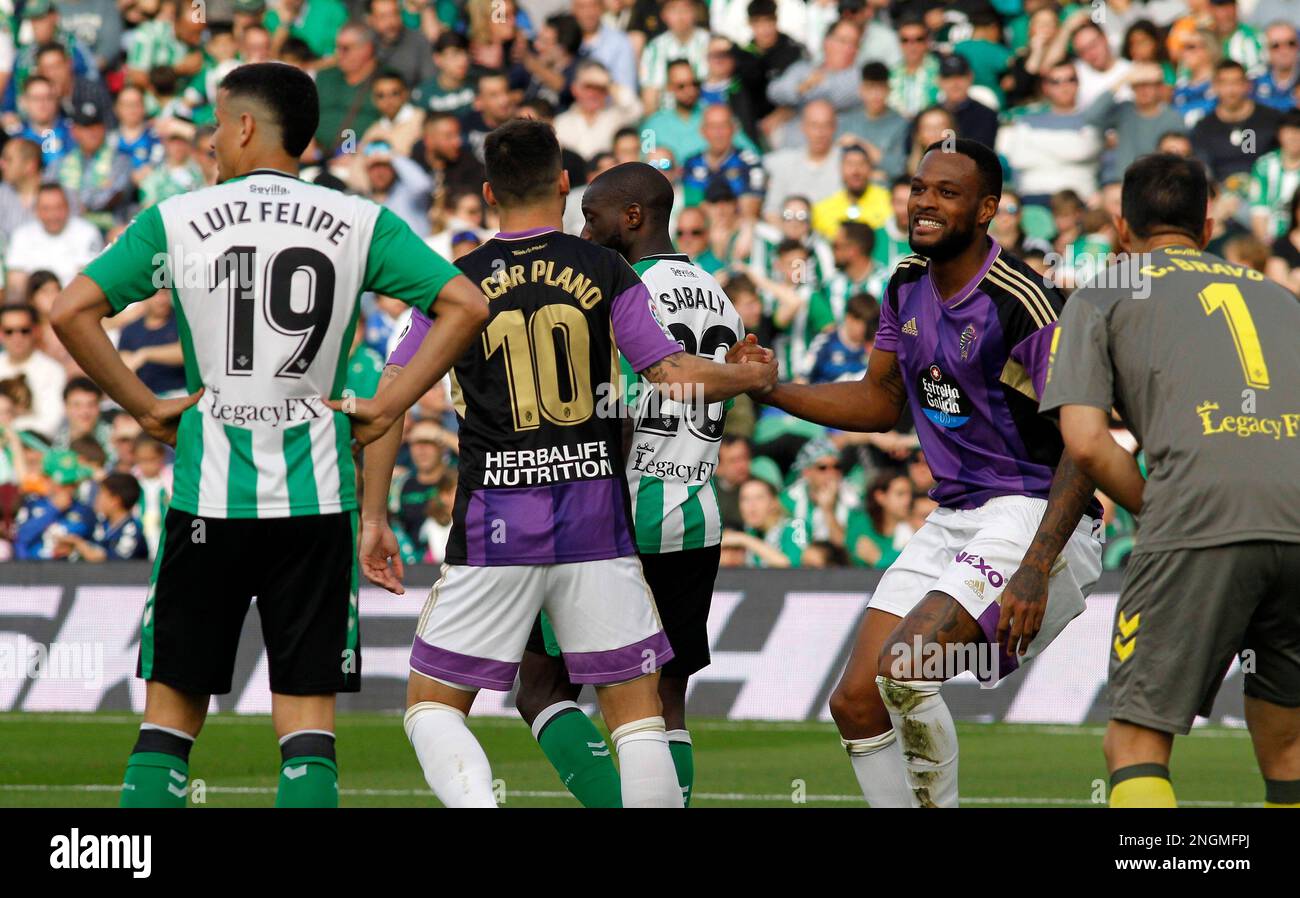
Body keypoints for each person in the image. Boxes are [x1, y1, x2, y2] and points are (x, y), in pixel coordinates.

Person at [49, 62, 489, 809]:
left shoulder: (178, 218)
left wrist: (143, 408)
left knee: (169, 723)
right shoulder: (360, 222)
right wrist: (390, 404)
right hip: (316, 505)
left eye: (219, 125)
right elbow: (466, 304)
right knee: (308, 730)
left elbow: (69, 312)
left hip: (207, 502)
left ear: (246, 127)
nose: (215, 142)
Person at [349, 119, 776, 808]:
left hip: (497, 522)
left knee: (432, 708)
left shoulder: (453, 283)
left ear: (488, 192)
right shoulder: (607, 270)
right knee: (641, 716)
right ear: (564, 186)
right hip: (598, 521)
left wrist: (373, 516)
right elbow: (668, 372)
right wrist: (749, 379)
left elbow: (387, 405)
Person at [750, 138, 1103, 807]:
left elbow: (1084, 445)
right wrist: (771, 389)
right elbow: (881, 399)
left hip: (1033, 507)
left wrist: (1036, 562)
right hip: (956, 513)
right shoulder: (905, 282)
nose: (926, 203)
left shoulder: (1021, 303)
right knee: (856, 701)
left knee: (908, 670)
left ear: (987, 209)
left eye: (947, 192)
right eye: (919, 187)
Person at [1041, 153, 1300, 808]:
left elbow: (1086, 441)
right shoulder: (1279, 298)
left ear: (1122, 232)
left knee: (1134, 743)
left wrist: (1153, 508)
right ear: (1206, 227)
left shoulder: (1103, 292)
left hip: (1198, 515)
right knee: (1290, 743)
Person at [501, 161, 748, 808]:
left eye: (593, 215)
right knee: (666, 696)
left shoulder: (617, 286)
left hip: (617, 516)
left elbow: (612, 408)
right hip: (695, 514)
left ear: (633, 217)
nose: (585, 228)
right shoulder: (717, 293)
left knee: (541, 690)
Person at [0, 303, 67, 439]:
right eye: (9, 331)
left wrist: (8, 430)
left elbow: (51, 422)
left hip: (34, 449)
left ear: (35, 331)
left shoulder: (52, 371)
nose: (17, 337)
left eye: (24, 330)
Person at [60, 470, 149, 561]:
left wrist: (78, 543)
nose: (97, 498)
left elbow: (112, 562)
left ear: (115, 501)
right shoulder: (100, 524)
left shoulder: (131, 531)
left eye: (101, 493)